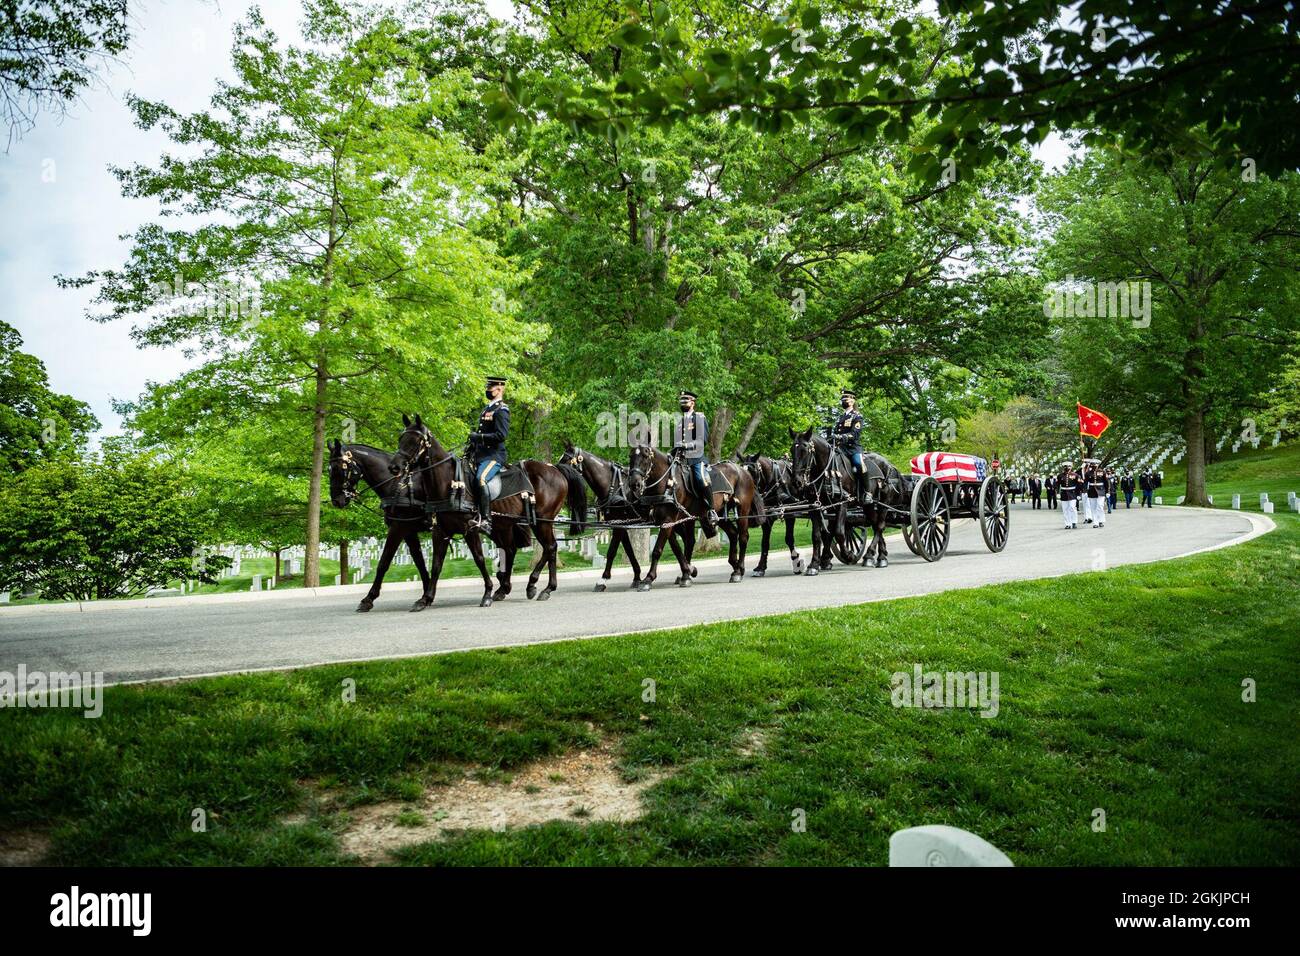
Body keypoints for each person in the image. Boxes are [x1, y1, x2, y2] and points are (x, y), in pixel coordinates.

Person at [672, 389, 719, 532]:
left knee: (701, 479)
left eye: (685, 401)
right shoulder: (680, 421)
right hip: (681, 459)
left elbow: (702, 440)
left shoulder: (699, 418)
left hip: (696, 458)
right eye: (681, 401)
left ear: (692, 403)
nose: (682, 404)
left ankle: (711, 510)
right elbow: (676, 442)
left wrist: (686, 445)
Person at [468, 375, 510, 530]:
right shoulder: (487, 409)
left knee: (481, 478)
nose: (487, 390)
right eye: (487, 387)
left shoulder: (501, 410)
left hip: (494, 456)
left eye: (490, 388)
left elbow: (501, 435)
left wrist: (479, 437)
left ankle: (486, 521)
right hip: (479, 456)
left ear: (499, 389)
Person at [830, 389, 869, 507]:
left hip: (852, 449)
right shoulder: (841, 417)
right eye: (842, 400)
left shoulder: (857, 416)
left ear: (851, 401)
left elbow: (855, 434)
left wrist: (840, 437)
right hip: (840, 449)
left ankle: (867, 492)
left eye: (845, 400)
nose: (842, 402)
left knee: (858, 463)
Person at [1085, 461, 1106, 528]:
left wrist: (1108, 491)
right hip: (1092, 491)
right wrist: (1085, 490)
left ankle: (1101, 521)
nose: (1094, 465)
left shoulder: (1102, 472)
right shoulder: (1088, 473)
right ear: (1091, 465)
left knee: (1100, 506)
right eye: (1093, 464)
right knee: (1093, 507)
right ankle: (1096, 522)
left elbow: (1106, 482)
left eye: (1095, 464)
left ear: (1098, 465)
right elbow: (1085, 483)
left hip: (1101, 490)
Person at [1059, 463, 1079, 529]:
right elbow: (1057, 484)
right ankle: (1068, 523)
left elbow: (1079, 484)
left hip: (1072, 493)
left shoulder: (1075, 475)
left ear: (1071, 467)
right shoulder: (1060, 476)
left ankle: (1074, 522)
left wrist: (1078, 494)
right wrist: (1057, 493)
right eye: (1066, 466)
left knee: (1072, 508)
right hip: (1064, 493)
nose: (1067, 467)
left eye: (1069, 466)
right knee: (1065, 509)